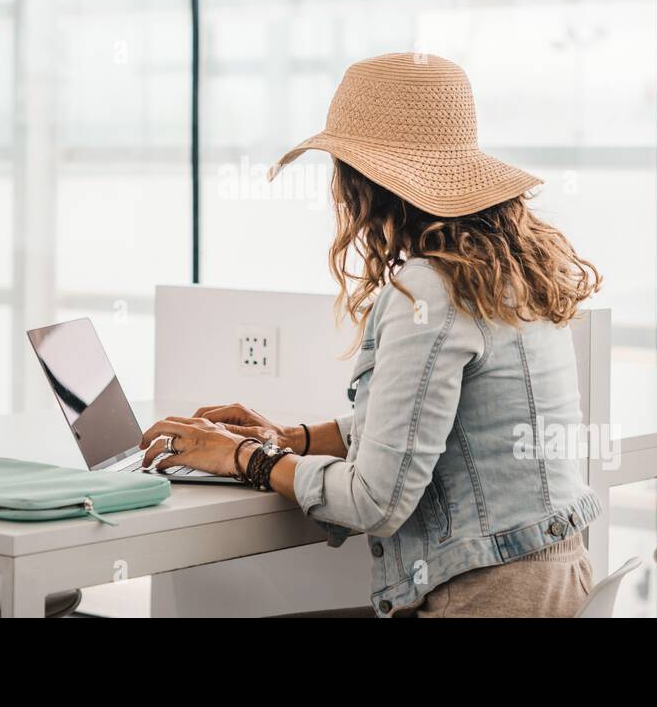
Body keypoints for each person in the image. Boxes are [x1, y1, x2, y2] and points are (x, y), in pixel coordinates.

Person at [140, 52, 602, 617]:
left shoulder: (432, 288)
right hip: (553, 580)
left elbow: (374, 501)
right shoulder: (502, 269)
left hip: (489, 597)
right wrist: (290, 438)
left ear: (364, 181)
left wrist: (243, 458)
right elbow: (430, 427)